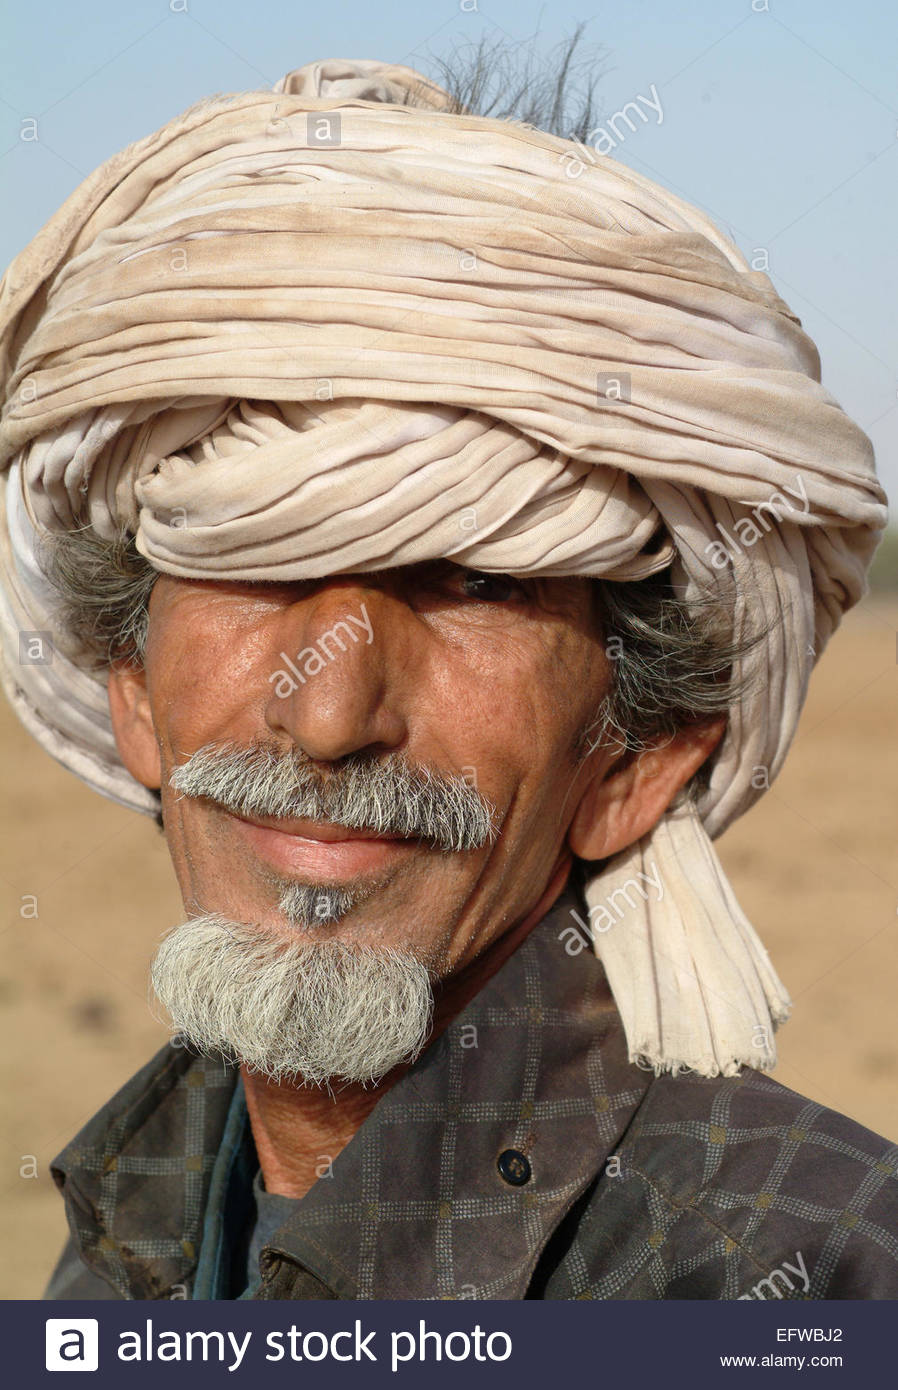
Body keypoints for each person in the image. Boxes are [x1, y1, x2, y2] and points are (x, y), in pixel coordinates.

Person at [0, 55, 894, 1302]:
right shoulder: (130, 1226)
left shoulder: (807, 1276)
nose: (325, 716)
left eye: (473, 585)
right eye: (256, 560)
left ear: (635, 761)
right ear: (132, 691)